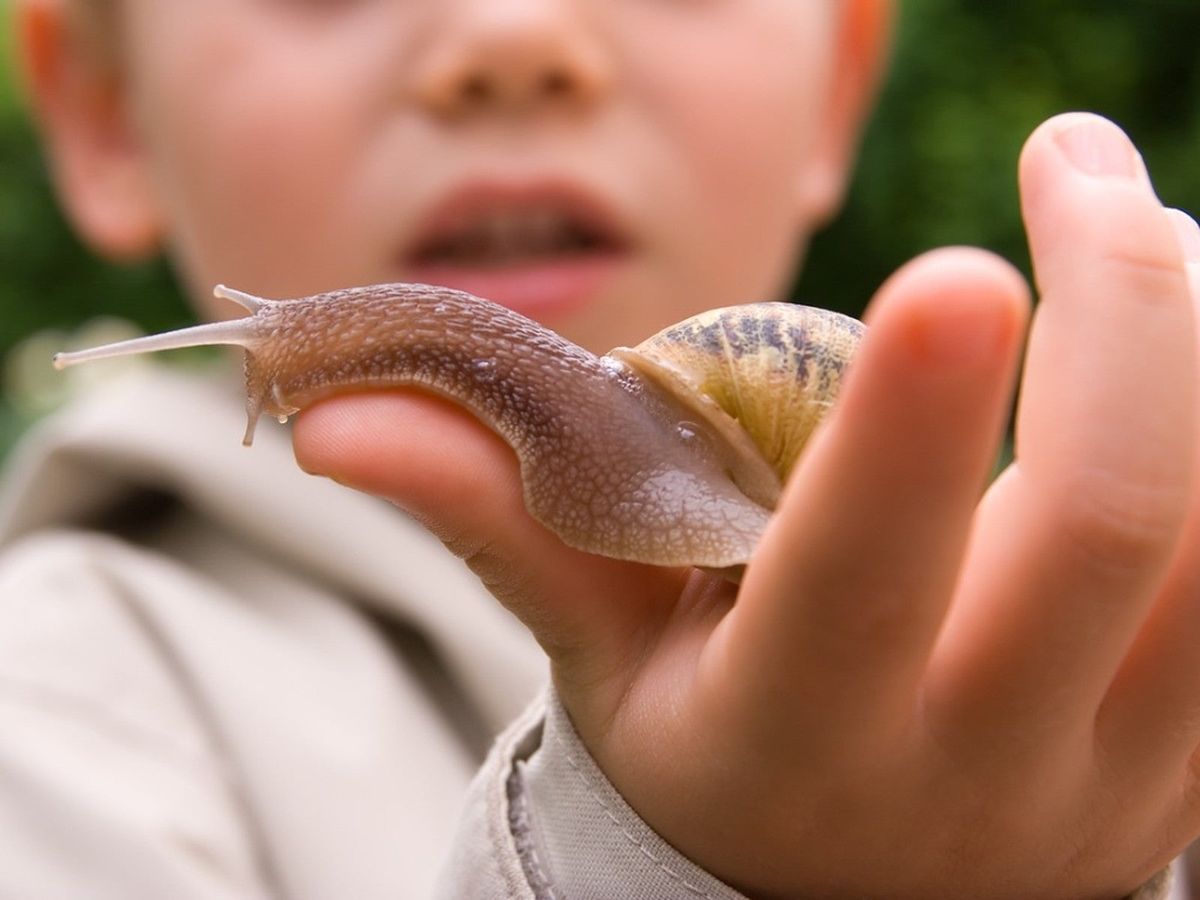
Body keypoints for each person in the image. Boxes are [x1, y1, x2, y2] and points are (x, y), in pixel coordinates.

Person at [2, 0, 1198, 897]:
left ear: (836, 93)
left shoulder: (1121, 693)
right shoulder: (56, 721)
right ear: (109, 111)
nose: (513, 36)